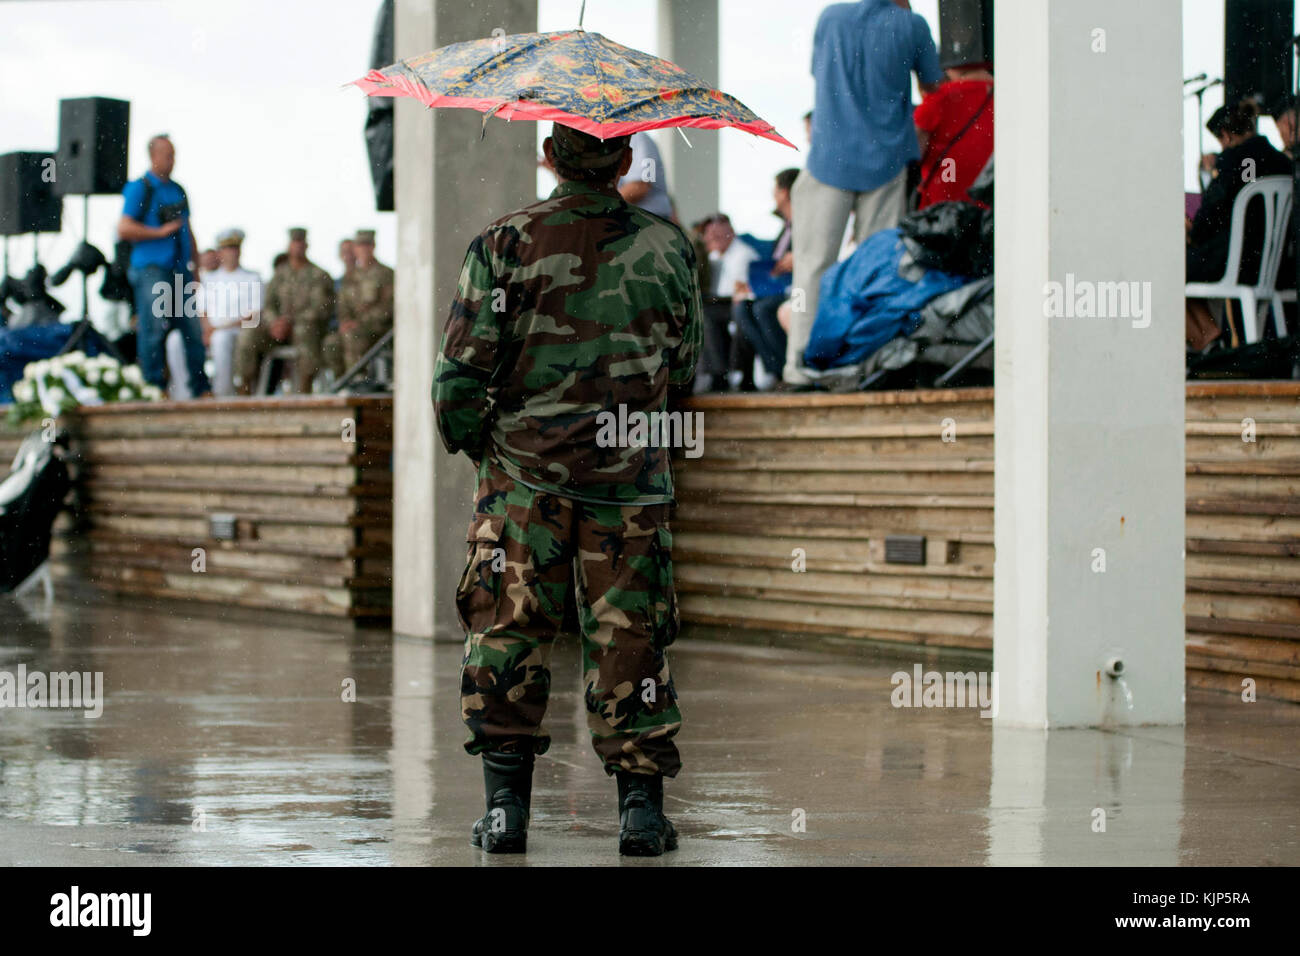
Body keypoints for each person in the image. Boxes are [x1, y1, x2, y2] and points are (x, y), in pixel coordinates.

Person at [433, 122, 701, 857]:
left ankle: (505, 816)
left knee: (508, 632)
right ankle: (641, 816)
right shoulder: (670, 246)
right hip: (632, 489)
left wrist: (489, 445)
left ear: (549, 156)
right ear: (622, 159)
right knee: (631, 640)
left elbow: (456, 381)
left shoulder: (502, 243)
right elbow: (683, 371)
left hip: (523, 484)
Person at [787, 0, 942, 386]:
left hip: (828, 157)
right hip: (887, 160)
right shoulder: (912, 25)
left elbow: (819, 74)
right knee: (876, 270)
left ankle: (799, 365)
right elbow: (933, 86)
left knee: (811, 267)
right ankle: (868, 361)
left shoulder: (830, 17)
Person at [1186, 99, 1292, 348]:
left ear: (1225, 135)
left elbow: (1207, 221)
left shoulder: (1233, 160)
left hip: (1237, 262)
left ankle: (1206, 340)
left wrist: (1192, 229)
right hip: (1272, 264)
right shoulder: (1282, 162)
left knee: (1164, 268)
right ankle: (1210, 338)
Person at [117, 134, 212, 396]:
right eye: (167, 154)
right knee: (153, 328)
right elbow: (124, 227)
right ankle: (153, 388)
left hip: (180, 268)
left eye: (174, 154)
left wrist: (196, 268)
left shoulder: (178, 189)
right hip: (151, 268)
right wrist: (159, 232)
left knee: (192, 329)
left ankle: (201, 388)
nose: (172, 160)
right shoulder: (140, 187)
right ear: (153, 156)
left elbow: (187, 230)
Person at [234, 227, 334, 394]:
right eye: (294, 243)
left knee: (305, 332)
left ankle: (304, 390)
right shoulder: (280, 274)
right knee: (248, 333)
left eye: (300, 243)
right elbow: (269, 304)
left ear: (306, 246)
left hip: (305, 329)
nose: (297, 247)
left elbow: (321, 309)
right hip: (278, 330)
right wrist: (274, 322)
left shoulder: (319, 275)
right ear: (289, 246)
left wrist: (290, 322)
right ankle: (245, 389)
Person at [733, 169, 798, 387]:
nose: (773, 194)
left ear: (785, 192)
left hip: (797, 291)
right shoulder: (785, 228)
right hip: (776, 288)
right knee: (743, 308)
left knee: (762, 309)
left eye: (776, 188)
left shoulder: (802, 224)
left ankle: (784, 370)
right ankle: (776, 369)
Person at [912, 61, 994, 209]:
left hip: (944, 206)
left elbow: (913, 149)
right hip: (991, 207)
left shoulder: (940, 98)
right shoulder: (1007, 96)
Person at [198, 229, 261, 396]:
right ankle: (185, 395)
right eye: (227, 248)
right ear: (220, 252)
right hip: (210, 330)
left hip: (237, 330)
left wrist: (218, 329)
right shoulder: (208, 279)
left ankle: (223, 395)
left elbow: (253, 314)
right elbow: (201, 310)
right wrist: (207, 329)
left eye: (234, 248)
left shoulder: (251, 278)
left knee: (221, 339)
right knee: (175, 342)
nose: (232, 253)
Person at [699, 213, 759, 392]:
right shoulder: (715, 257)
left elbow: (739, 292)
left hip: (744, 304)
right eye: (710, 235)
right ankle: (718, 374)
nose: (712, 238)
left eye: (717, 234)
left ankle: (722, 374)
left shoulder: (744, 254)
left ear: (730, 232)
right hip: (721, 303)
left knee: (710, 315)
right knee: (704, 315)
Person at [324, 229, 393, 380]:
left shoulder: (386, 274)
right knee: (331, 343)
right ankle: (340, 381)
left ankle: (357, 381)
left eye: (367, 244)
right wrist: (345, 321)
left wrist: (359, 323)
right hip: (353, 327)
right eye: (360, 245)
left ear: (373, 246)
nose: (364, 249)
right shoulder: (351, 276)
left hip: (378, 328)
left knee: (352, 336)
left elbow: (387, 308)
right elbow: (342, 305)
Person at [617, 131, 675, 220]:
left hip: (647, 220)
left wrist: (604, 205)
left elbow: (640, 187)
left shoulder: (636, 138)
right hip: (639, 219)